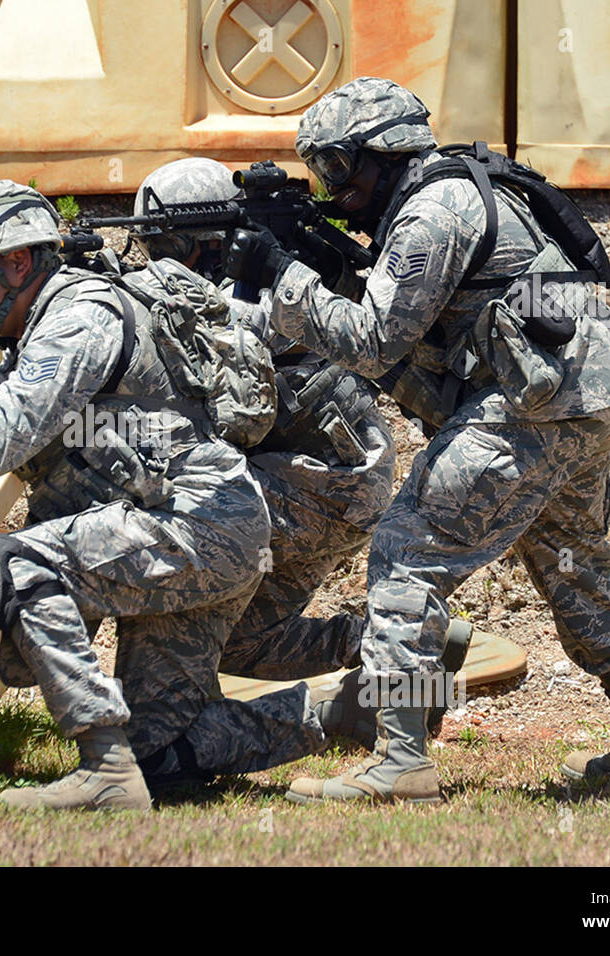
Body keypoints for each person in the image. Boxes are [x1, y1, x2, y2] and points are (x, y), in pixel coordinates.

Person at [223, 77, 610, 804]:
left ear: (385, 154)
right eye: (323, 172)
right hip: (583, 396)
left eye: (341, 170)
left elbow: (375, 340)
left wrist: (281, 277)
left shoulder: (432, 210)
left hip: (538, 405)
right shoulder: (451, 192)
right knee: (572, 564)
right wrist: (323, 271)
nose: (334, 189)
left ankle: (401, 760)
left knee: (408, 551)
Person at [0, 180, 342, 810]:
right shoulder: (64, 316)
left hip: (192, 526)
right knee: (156, 756)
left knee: (15, 563)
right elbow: (32, 429)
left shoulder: (77, 318)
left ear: (16, 260)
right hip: (214, 526)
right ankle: (343, 712)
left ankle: (102, 770)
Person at [125, 158, 400, 760]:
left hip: (317, 483)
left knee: (174, 541)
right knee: (241, 642)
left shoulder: (246, 300)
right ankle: (391, 649)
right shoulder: (251, 282)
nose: (153, 263)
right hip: (335, 478)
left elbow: (229, 417)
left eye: (161, 247)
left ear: (193, 246)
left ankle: (168, 735)